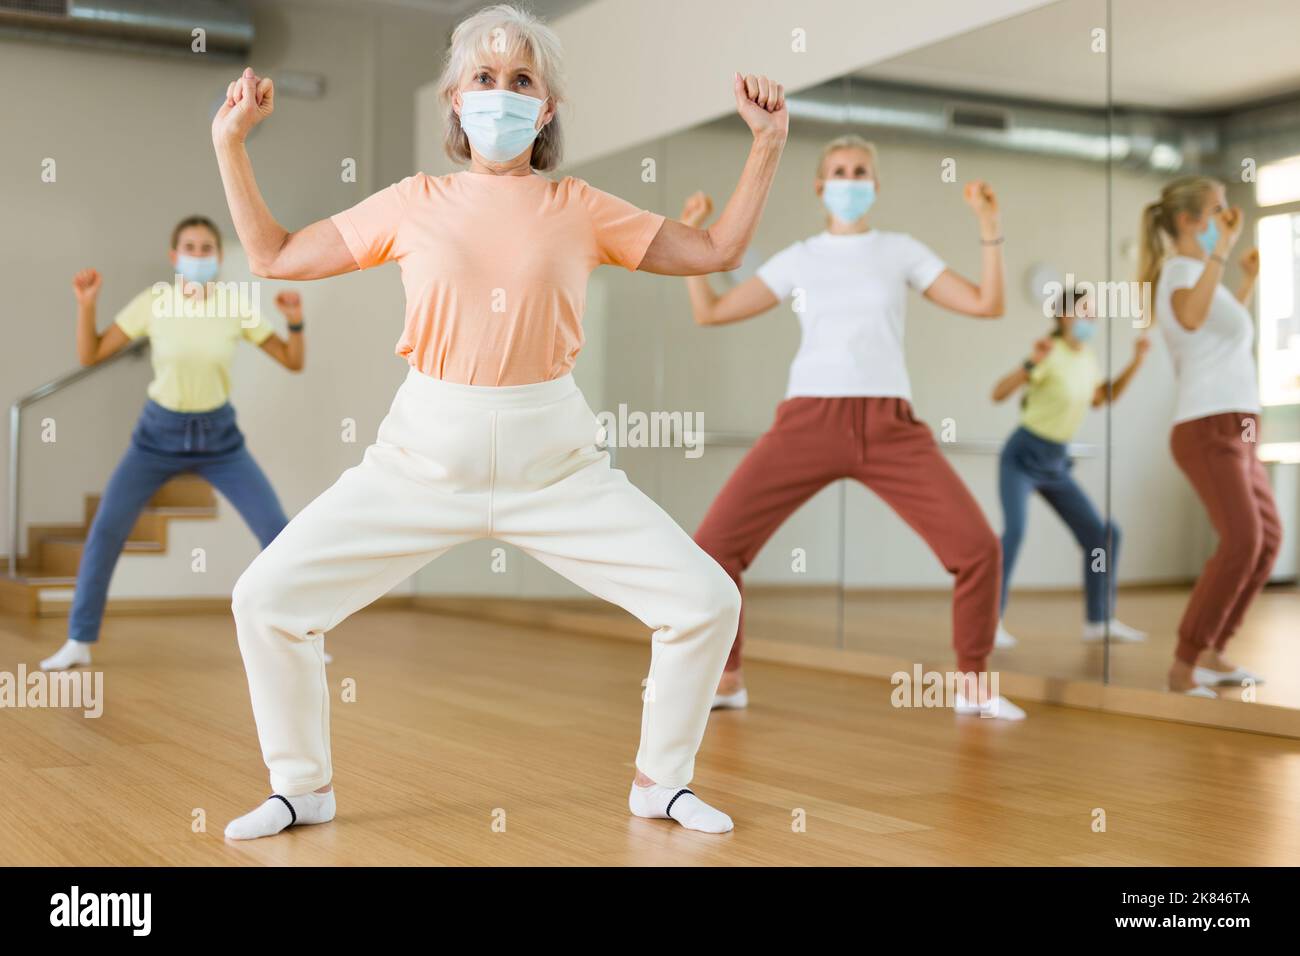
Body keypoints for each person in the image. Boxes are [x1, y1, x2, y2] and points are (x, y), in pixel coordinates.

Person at [211, 4, 788, 839]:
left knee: (704, 598)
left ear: (545, 108)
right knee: (267, 597)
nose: (501, 93)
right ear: (454, 96)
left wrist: (765, 144)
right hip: (420, 454)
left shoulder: (580, 205)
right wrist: (231, 143)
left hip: (554, 458)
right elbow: (273, 255)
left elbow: (716, 250)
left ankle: (662, 783)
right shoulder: (415, 201)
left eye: (521, 80)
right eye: (483, 77)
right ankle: (301, 789)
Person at [682, 134, 1024, 720]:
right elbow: (711, 311)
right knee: (714, 545)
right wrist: (694, 243)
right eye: (838, 171)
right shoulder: (799, 257)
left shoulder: (900, 251)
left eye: (860, 171)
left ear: (874, 186)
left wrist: (989, 227)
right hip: (808, 419)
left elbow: (986, 303)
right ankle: (728, 677)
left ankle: (973, 686)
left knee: (978, 549)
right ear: (820, 187)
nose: (849, 179)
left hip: (891, 424)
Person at [40, 216, 303, 672]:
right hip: (156, 437)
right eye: (190, 247)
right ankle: (78, 641)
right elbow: (91, 354)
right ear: (174, 256)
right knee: (105, 531)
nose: (198, 255)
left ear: (218, 259)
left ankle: (302, 635)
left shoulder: (234, 305)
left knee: (278, 532)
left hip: (220, 439)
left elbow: (290, 361)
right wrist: (87, 306)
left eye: (206, 249)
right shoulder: (154, 303)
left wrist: (295, 323)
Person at [1139, 176, 1279, 696]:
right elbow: (1193, 321)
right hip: (1207, 425)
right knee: (1242, 541)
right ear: (1187, 221)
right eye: (1218, 211)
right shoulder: (1179, 270)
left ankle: (1216, 651)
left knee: (1268, 542)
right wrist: (1223, 250)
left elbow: (1223, 337)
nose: (1227, 219)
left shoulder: (1205, 274)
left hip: (1240, 423)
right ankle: (1183, 666)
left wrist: (1246, 283)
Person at [990, 287, 1148, 649]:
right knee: (1013, 534)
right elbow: (997, 394)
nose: (1090, 320)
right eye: (1083, 313)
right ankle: (990, 621)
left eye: (1093, 314)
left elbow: (1099, 399)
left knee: (1102, 535)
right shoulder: (1049, 352)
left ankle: (1099, 620)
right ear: (1063, 317)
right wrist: (1030, 363)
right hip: (1022, 456)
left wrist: (1136, 362)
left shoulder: (1087, 357)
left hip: (1056, 463)